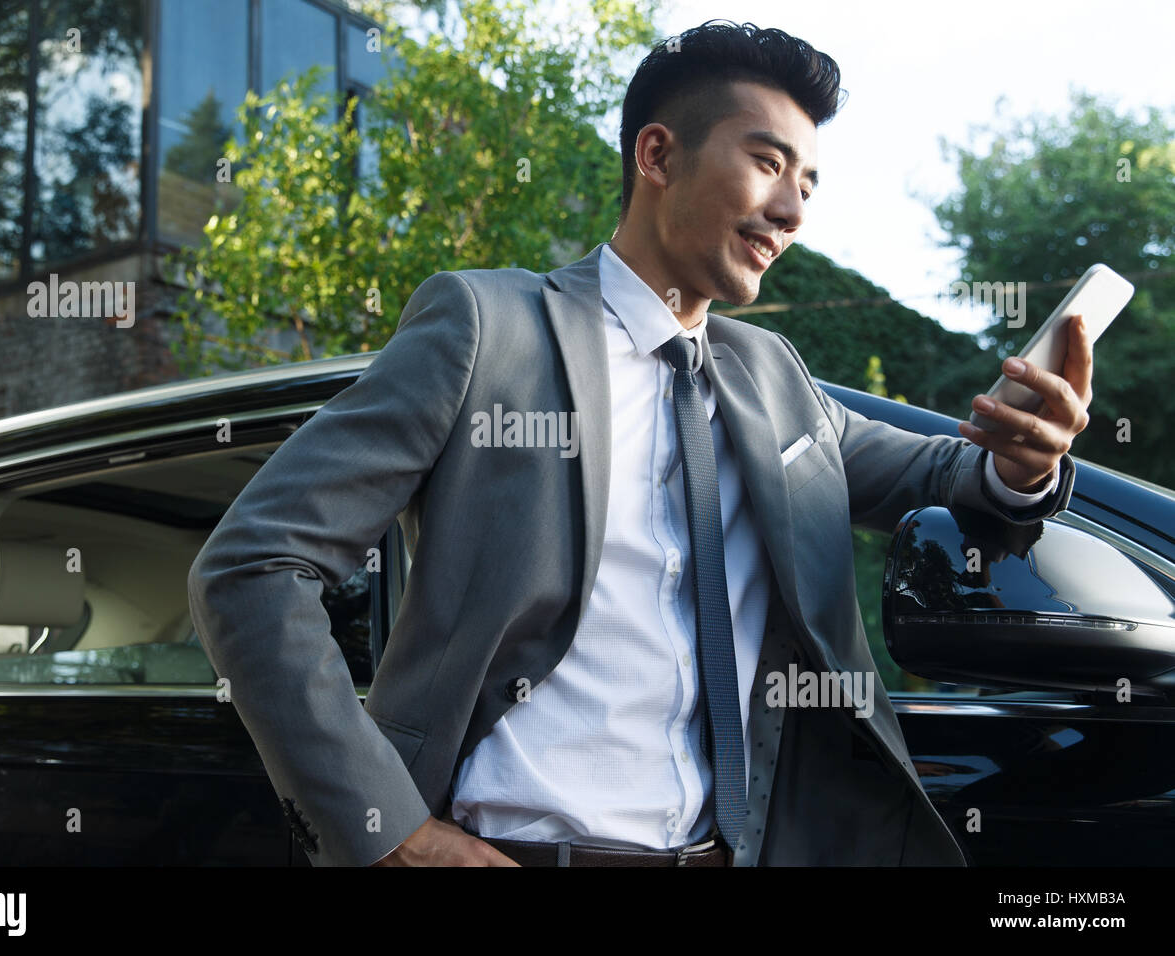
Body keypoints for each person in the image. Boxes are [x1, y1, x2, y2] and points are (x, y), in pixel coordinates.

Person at [186, 20, 1091, 867]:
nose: (792, 210)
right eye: (768, 162)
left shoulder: (772, 376)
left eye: (808, 184)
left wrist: (1024, 462)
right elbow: (254, 565)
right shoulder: (488, 328)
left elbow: (944, 470)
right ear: (657, 154)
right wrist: (387, 829)